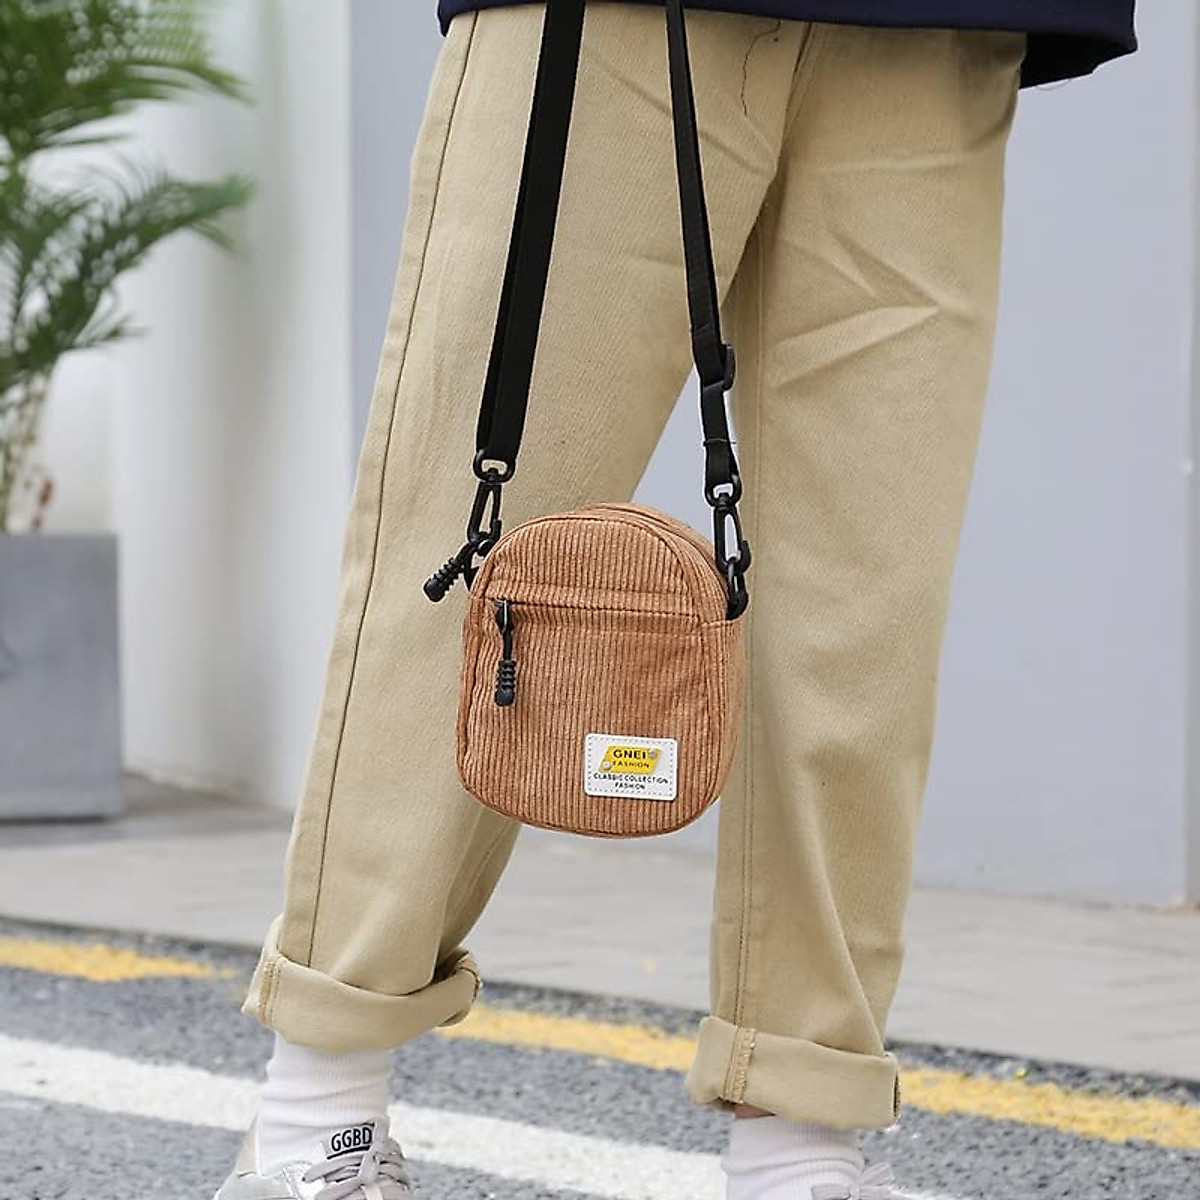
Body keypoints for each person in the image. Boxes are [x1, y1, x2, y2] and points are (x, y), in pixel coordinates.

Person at [214, 2, 1136, 1198]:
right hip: (612, 17)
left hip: (940, 24)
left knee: (864, 621)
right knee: (477, 555)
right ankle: (315, 1120)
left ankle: (799, 1144)